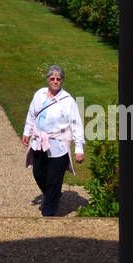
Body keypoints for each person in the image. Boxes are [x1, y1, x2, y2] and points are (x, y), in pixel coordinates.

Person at [22, 64, 85, 217]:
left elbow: (76, 124)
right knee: (38, 174)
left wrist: (79, 148)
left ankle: (48, 213)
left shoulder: (68, 100)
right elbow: (32, 114)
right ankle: (53, 194)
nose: (55, 81)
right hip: (38, 143)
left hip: (58, 146)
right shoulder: (39, 94)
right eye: (52, 79)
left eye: (58, 79)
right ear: (48, 80)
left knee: (53, 178)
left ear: (62, 80)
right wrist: (27, 132)